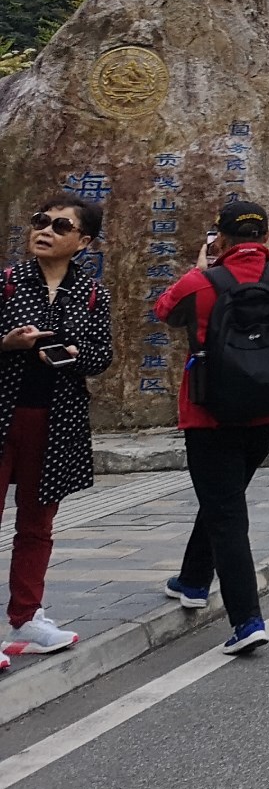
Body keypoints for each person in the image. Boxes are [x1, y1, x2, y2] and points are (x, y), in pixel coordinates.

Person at [154, 202, 269, 655]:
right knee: (223, 496)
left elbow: (165, 311)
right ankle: (192, 581)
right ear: (266, 235)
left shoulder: (200, 282)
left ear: (219, 237)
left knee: (225, 511)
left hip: (211, 414)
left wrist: (201, 269)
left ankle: (247, 620)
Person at [0, 194, 114, 667]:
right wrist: (6, 343)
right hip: (4, 413)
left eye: (60, 226)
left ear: (83, 241)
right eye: (40, 221)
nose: (45, 230)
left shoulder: (91, 291)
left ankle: (26, 618)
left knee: (37, 524)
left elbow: (102, 355)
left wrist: (72, 355)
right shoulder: (6, 282)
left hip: (56, 420)